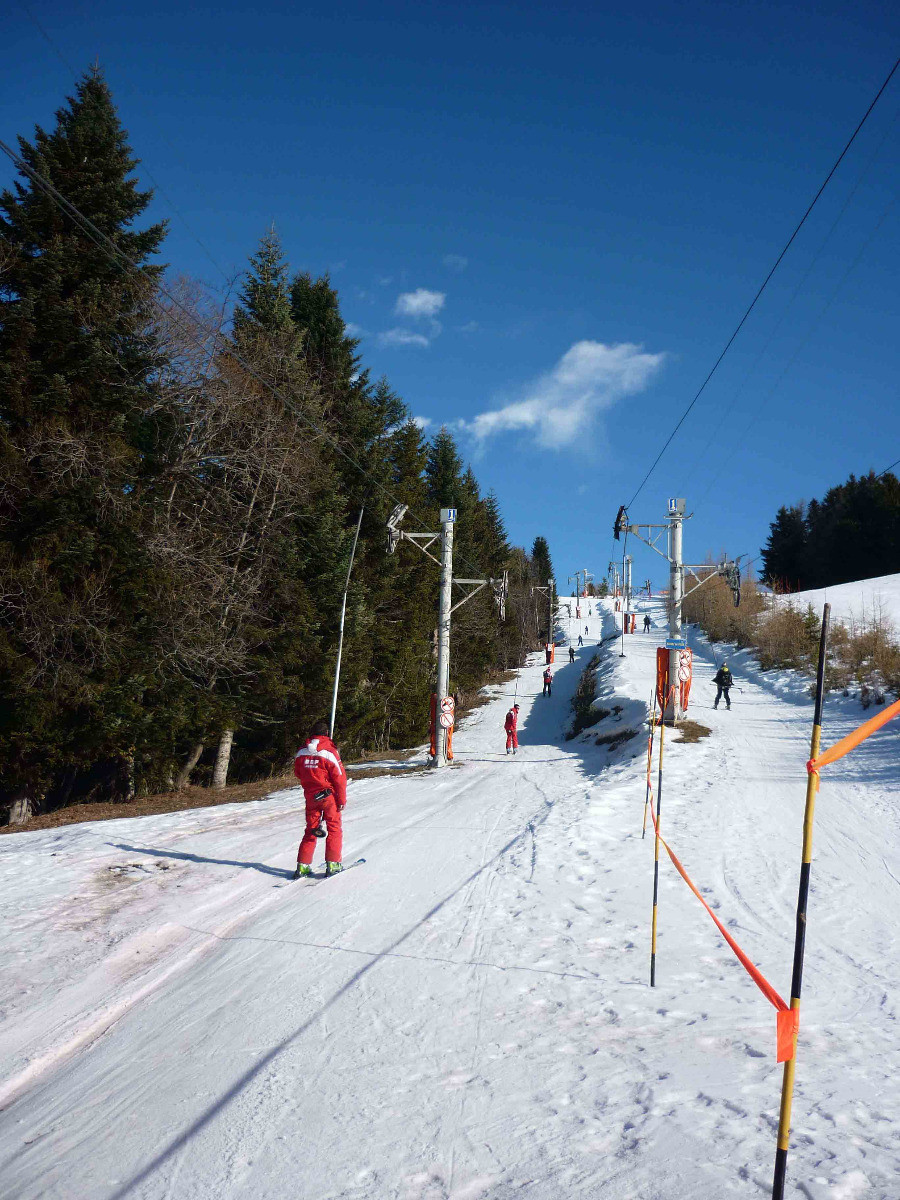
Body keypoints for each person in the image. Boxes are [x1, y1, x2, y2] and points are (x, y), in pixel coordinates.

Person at [292, 719, 347, 878]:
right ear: (327, 734)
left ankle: (302, 866)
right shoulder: (329, 751)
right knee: (334, 828)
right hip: (328, 796)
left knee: (311, 829)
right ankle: (333, 864)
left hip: (311, 797)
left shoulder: (301, 751)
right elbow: (339, 778)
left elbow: (298, 772)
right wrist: (341, 800)